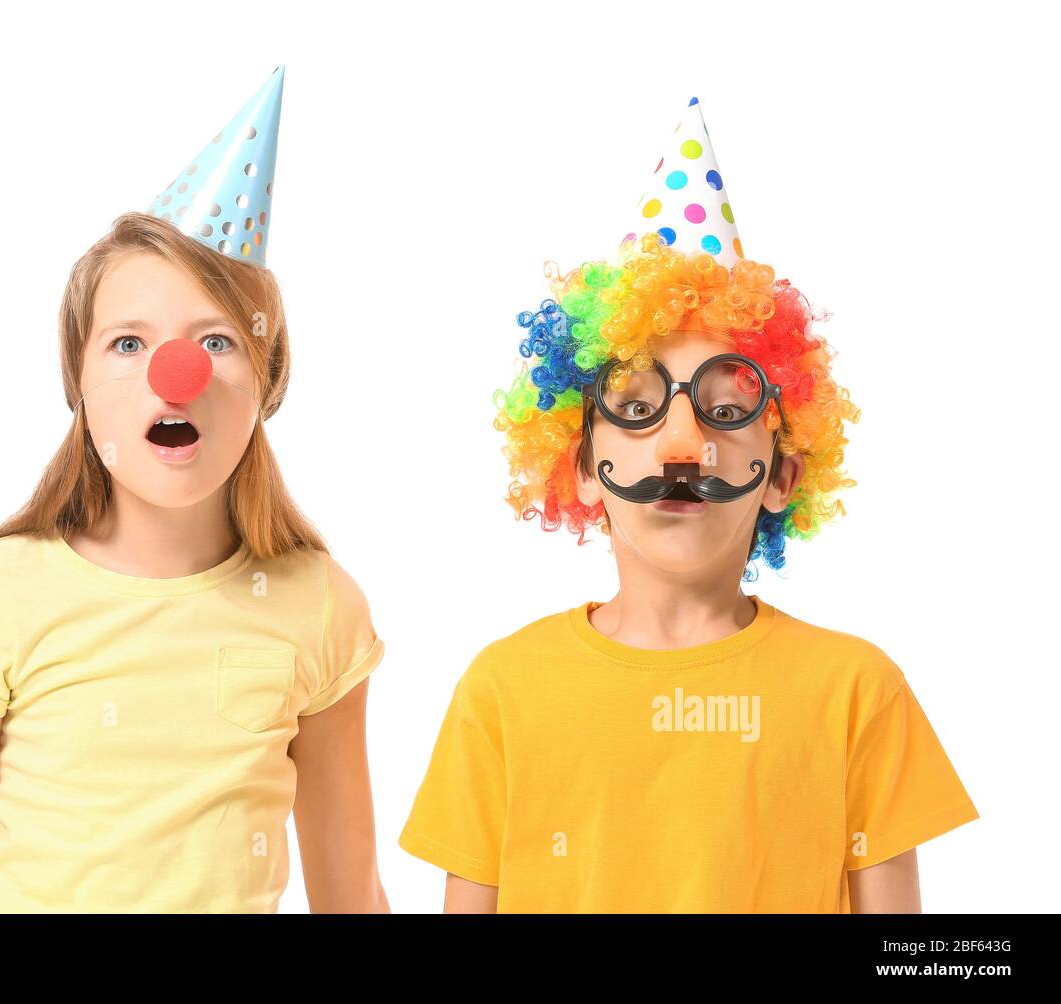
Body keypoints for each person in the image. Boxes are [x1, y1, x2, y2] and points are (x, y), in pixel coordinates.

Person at [397, 97, 978, 913]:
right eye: (635, 408)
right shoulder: (504, 688)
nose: (682, 446)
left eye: (727, 407)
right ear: (584, 469)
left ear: (781, 474)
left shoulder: (856, 691)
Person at [0, 66, 389, 913]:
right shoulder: (3, 590)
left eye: (215, 341)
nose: (175, 375)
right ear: (80, 382)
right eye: (128, 344)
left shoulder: (320, 606)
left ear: (267, 382)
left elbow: (350, 898)